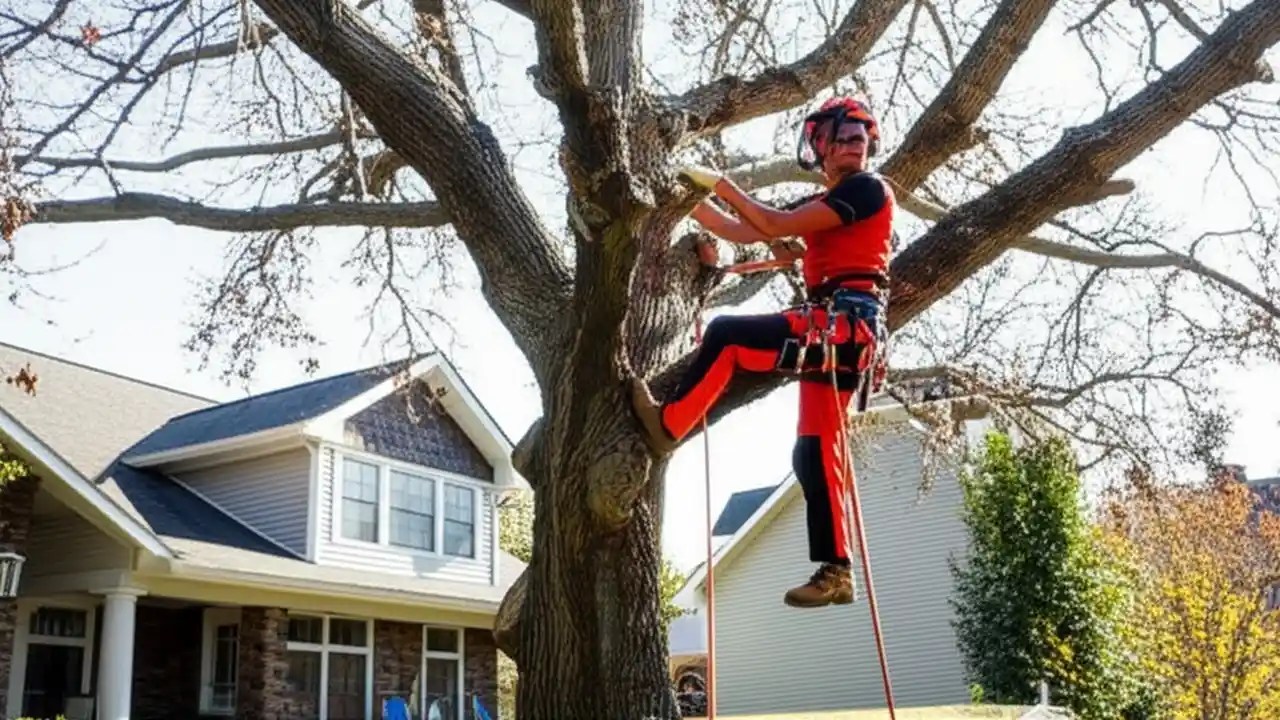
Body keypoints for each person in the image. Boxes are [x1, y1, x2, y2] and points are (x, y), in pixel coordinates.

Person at [630, 95, 894, 609]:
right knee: (815, 452)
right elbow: (738, 228)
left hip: (843, 325)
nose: (851, 145)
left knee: (727, 336)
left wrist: (720, 184)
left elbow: (769, 226)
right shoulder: (822, 208)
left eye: (858, 137)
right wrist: (685, 196)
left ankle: (668, 426)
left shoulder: (866, 188)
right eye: (840, 138)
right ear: (820, 148)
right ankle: (837, 571)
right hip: (836, 334)